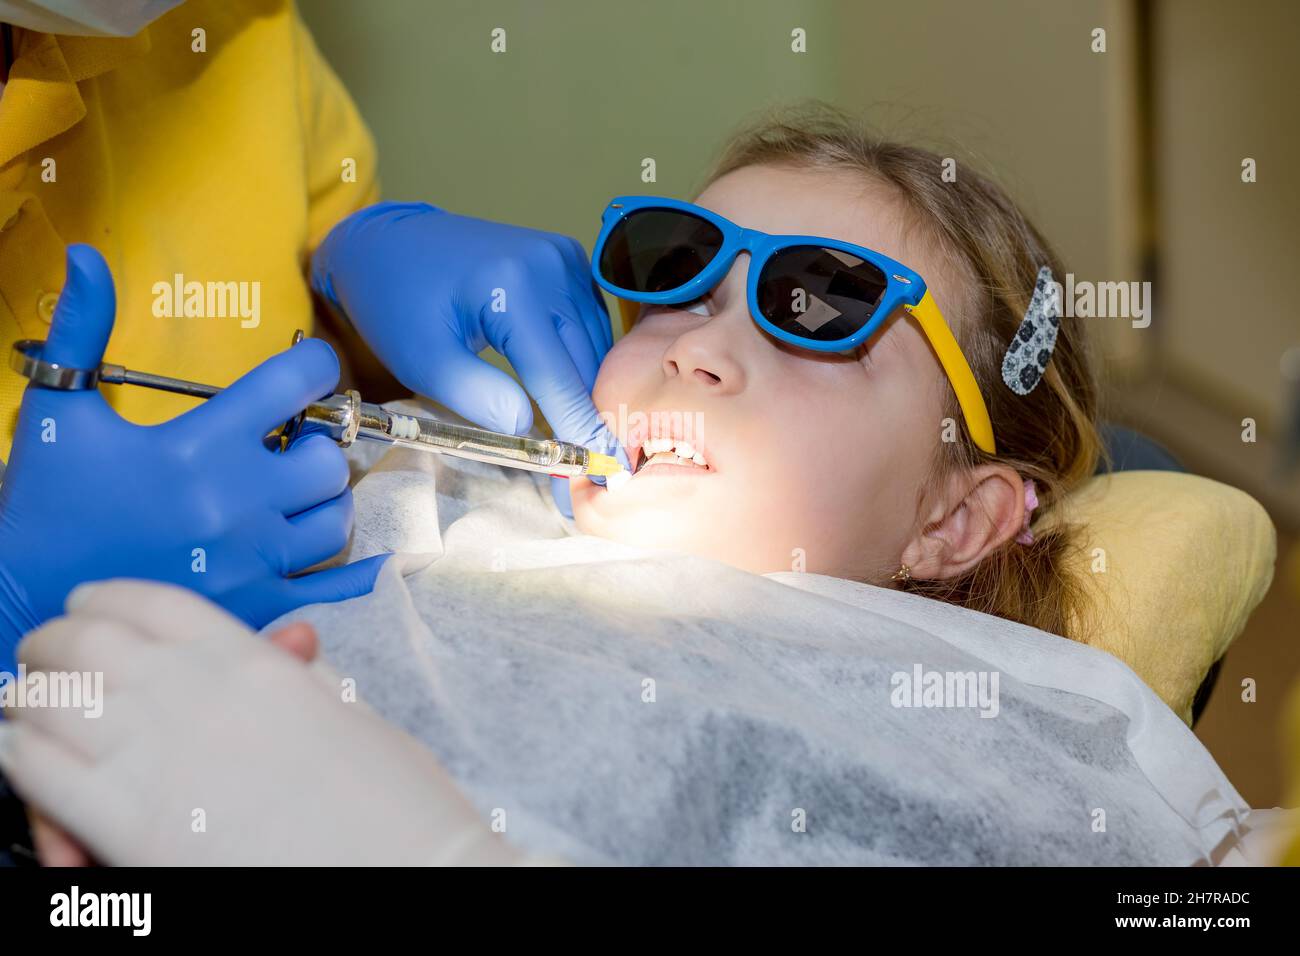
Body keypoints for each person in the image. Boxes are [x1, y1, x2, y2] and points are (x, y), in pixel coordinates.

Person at [0, 0, 623, 672]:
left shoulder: (223, 19)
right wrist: (16, 613)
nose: (699, 362)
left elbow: (356, 374)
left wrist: (350, 267)